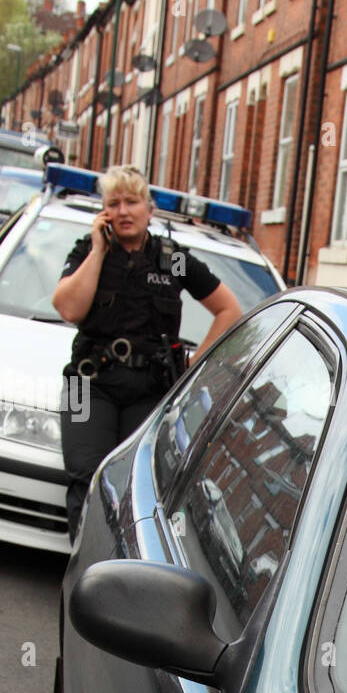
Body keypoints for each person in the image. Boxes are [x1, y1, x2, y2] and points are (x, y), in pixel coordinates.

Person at [52, 164, 242, 537]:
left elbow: (229, 310)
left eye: (132, 202)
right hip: (85, 384)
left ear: (149, 209)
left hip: (150, 389)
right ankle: (81, 572)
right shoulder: (88, 251)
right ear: (103, 211)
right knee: (83, 478)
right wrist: (98, 249)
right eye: (114, 203)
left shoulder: (171, 258)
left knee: (132, 487)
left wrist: (193, 364)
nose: (124, 211)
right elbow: (69, 308)